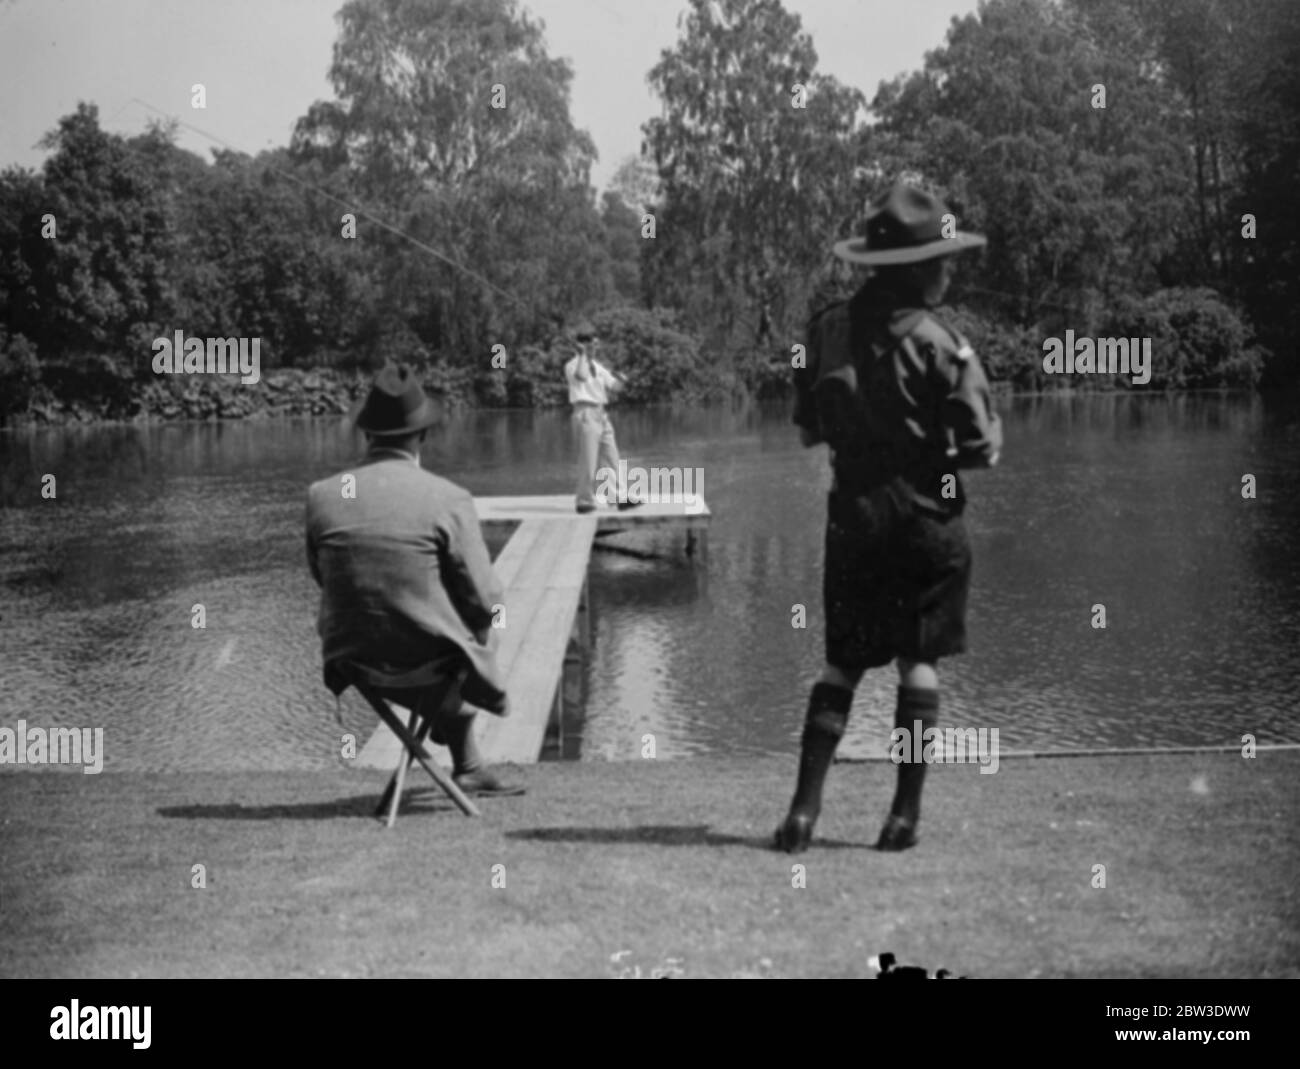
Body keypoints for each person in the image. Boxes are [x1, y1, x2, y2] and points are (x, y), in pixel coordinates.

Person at [777, 182, 1002, 853]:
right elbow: (984, 449)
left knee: (841, 664)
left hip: (854, 515)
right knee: (918, 662)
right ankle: (902, 819)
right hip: (927, 517)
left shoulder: (825, 330)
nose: (949, 271)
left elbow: (807, 430)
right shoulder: (944, 343)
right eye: (943, 261)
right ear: (919, 269)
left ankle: (801, 816)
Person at [305, 363, 522, 796]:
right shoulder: (448, 498)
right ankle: (453, 710)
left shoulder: (322, 495)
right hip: (427, 665)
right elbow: (485, 599)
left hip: (351, 659)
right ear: (423, 435)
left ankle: (468, 763)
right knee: (490, 619)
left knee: (425, 623)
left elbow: (321, 576)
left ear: (367, 433)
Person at [563, 322, 641, 514]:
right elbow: (581, 376)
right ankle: (584, 501)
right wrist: (582, 354)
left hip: (601, 414)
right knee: (588, 460)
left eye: (597, 344)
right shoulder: (572, 365)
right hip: (585, 413)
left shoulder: (598, 367)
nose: (596, 347)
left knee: (612, 457)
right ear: (584, 345)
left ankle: (619, 497)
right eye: (593, 344)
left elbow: (614, 387)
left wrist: (623, 380)